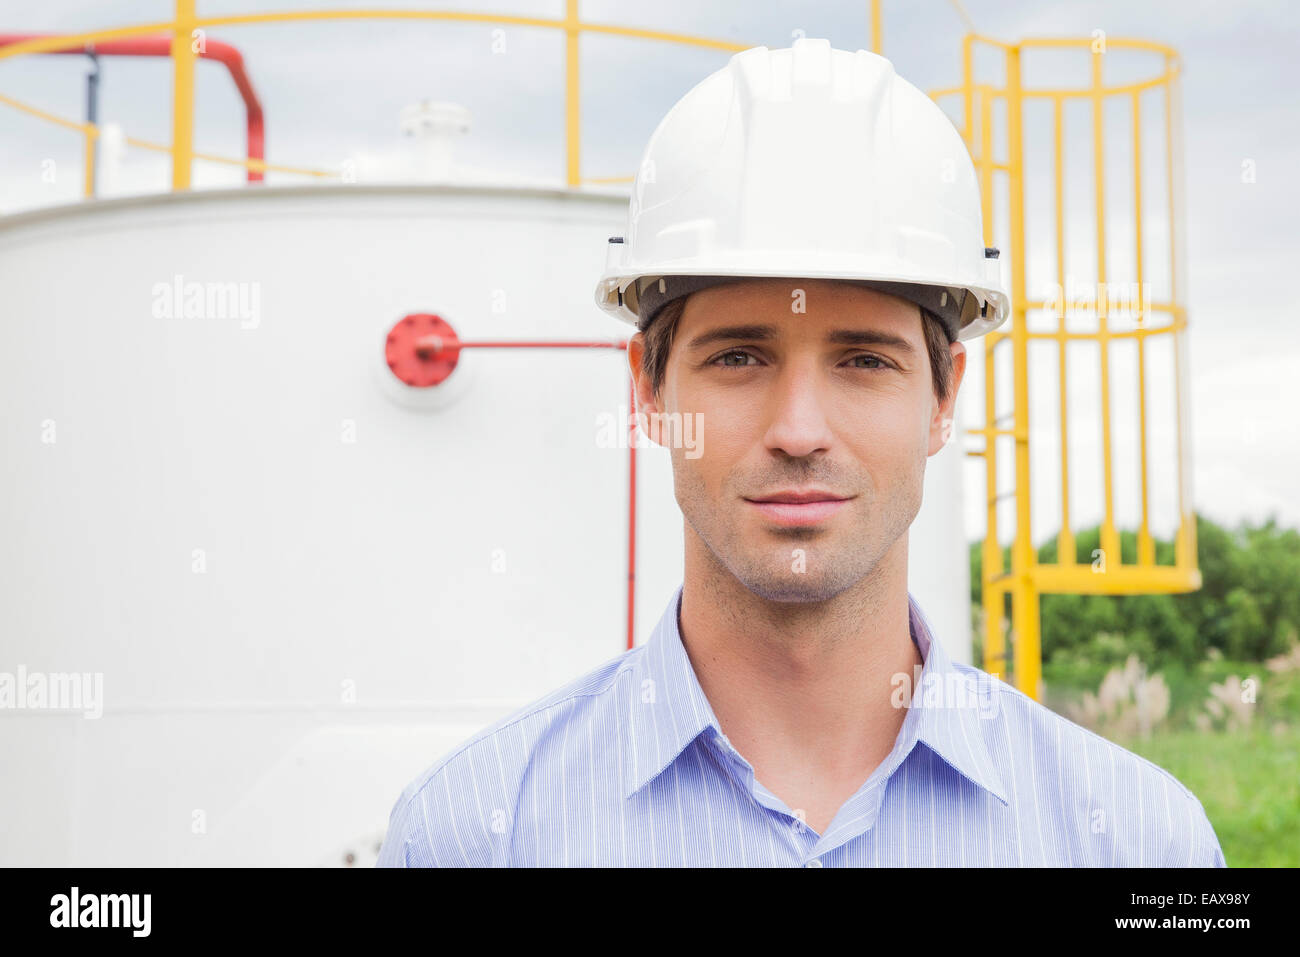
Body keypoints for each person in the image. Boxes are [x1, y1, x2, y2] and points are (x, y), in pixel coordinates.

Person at [377, 38, 1225, 867]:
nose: (798, 429)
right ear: (648, 390)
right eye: (738, 357)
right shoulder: (473, 834)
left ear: (943, 397)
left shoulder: (1140, 843)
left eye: (864, 360)